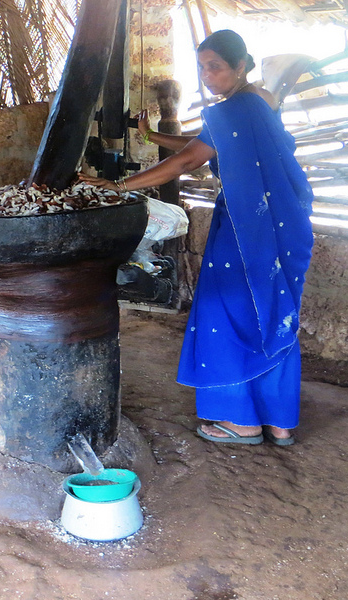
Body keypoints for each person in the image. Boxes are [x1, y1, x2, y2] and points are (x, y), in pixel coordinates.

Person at [79, 29, 314, 446]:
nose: (207, 76)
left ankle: (240, 422)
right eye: (202, 68)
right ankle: (278, 421)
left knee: (227, 311)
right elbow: (203, 145)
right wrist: (153, 137)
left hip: (245, 226)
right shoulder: (261, 101)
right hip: (281, 222)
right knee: (273, 309)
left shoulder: (232, 112)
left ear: (240, 66)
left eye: (216, 67)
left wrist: (117, 187)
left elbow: (188, 160)